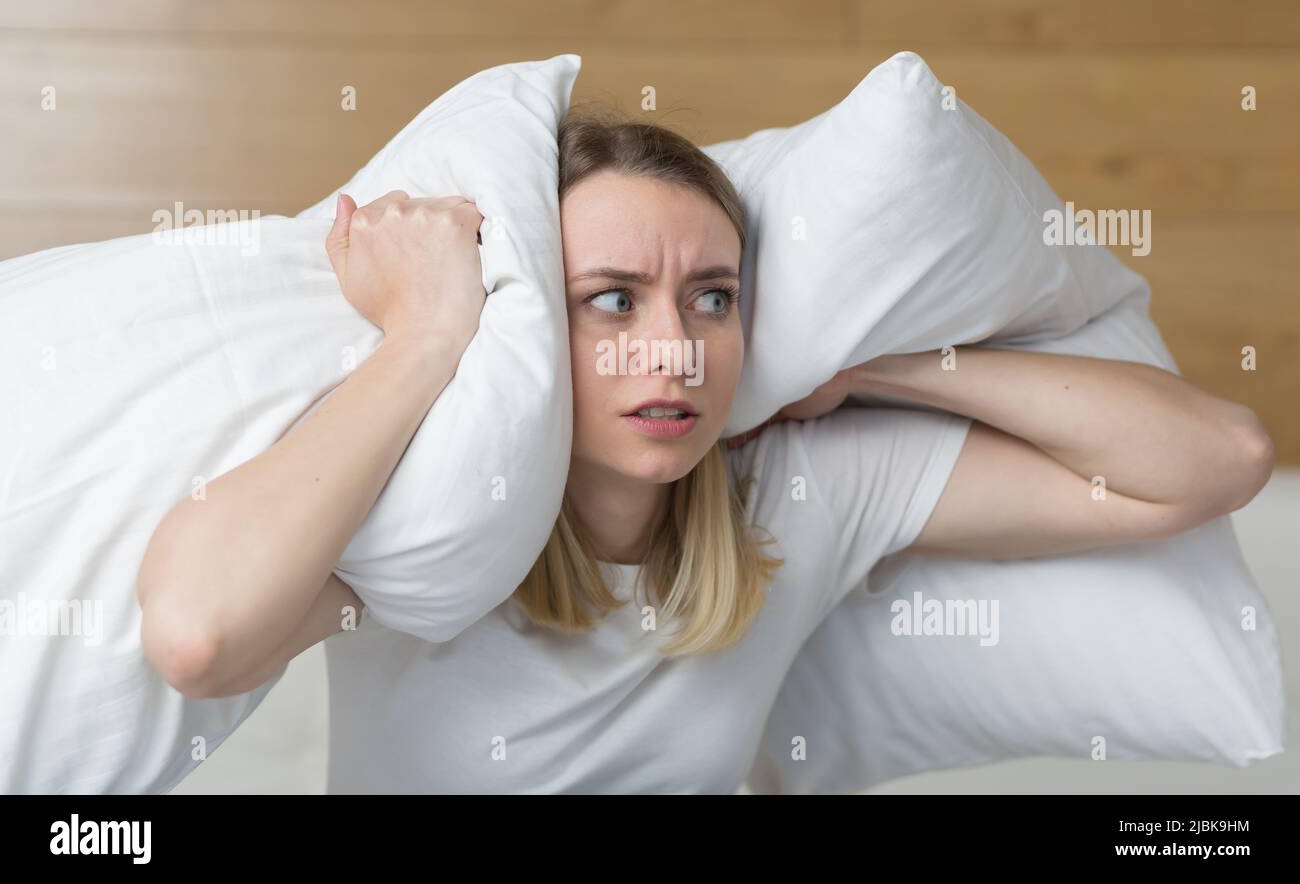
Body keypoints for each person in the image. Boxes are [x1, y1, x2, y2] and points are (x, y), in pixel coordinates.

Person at [137, 105, 1275, 793]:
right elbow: (197, 633)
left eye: (713, 297)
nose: (674, 351)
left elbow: (1216, 457)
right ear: (534, 319)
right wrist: (431, 331)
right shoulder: (436, 498)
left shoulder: (791, 488)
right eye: (613, 300)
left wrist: (875, 368)